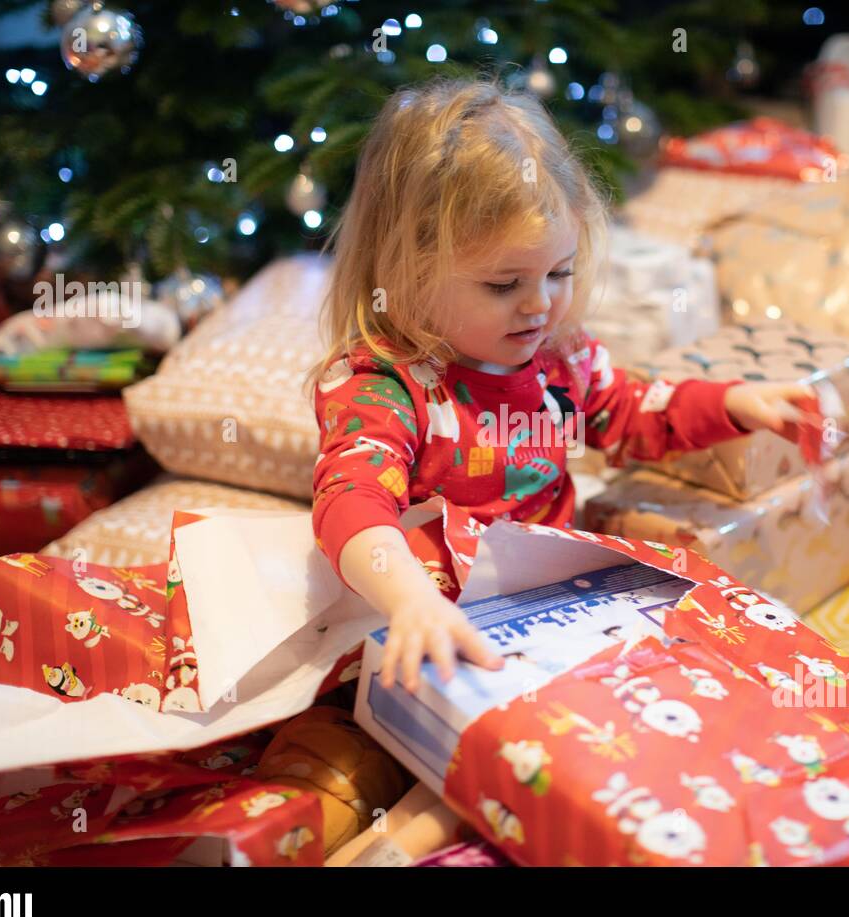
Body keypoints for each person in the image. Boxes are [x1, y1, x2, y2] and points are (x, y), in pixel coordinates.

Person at [309, 77, 815, 693]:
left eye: (560, 272)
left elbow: (629, 411)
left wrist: (731, 402)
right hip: (425, 618)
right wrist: (410, 600)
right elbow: (352, 495)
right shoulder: (383, 384)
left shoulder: (561, 357)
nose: (540, 305)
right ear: (408, 273)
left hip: (554, 607)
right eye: (504, 285)